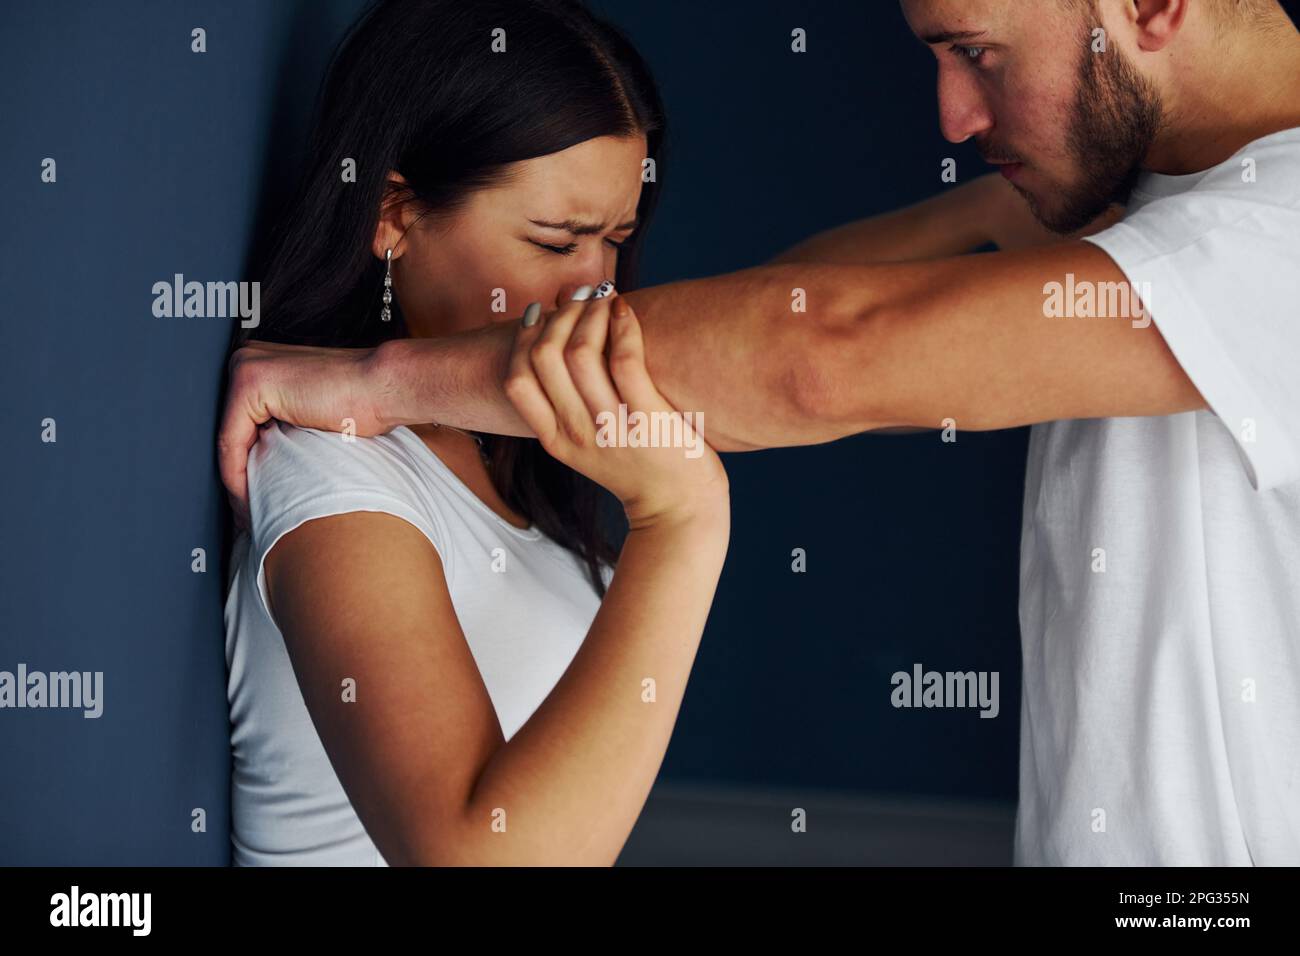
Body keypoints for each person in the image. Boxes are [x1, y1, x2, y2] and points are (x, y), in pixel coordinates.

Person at [221, 0, 1300, 865]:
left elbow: (811, 351)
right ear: (394, 213)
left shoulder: (1272, 230)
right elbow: (777, 320)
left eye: (976, 51)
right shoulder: (1169, 216)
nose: (951, 118)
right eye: (556, 238)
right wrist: (983, 216)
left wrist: (381, 379)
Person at [222, 0, 730, 866]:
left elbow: (805, 334)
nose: (597, 291)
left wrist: (968, 218)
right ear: (393, 214)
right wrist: (684, 521)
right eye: (557, 240)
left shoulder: (507, 459)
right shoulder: (332, 473)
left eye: (616, 239)